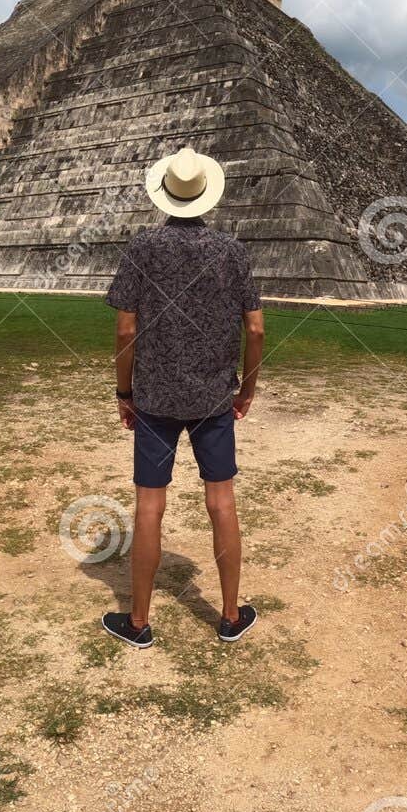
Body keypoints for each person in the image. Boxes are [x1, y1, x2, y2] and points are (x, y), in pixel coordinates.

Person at [101, 146, 266, 649]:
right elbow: (255, 330)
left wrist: (124, 391)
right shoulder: (232, 252)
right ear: (205, 197)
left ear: (166, 194)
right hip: (214, 398)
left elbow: (125, 327)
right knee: (221, 502)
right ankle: (231, 615)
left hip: (153, 397)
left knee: (149, 506)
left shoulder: (143, 247)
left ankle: (139, 623)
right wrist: (247, 389)